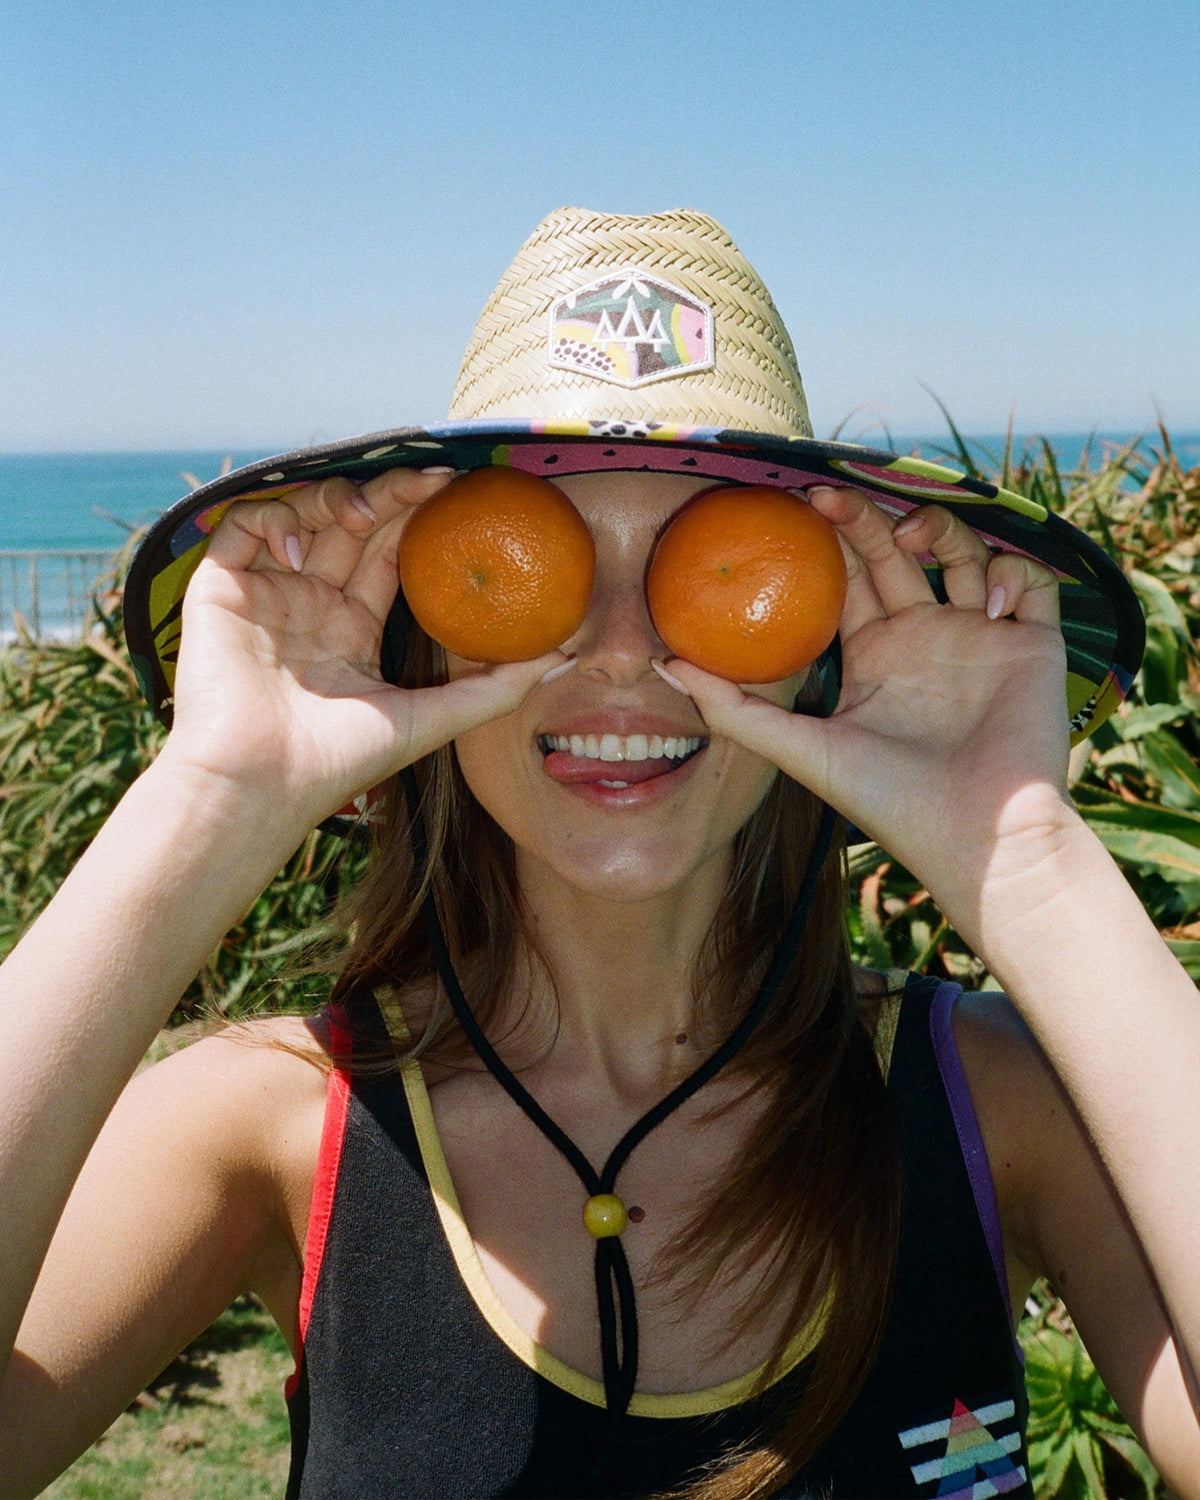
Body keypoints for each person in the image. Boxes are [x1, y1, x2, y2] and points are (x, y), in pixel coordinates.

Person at [0, 207, 1197, 1500]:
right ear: (429, 638)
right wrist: (209, 800)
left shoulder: (992, 1104)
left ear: (822, 651)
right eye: (544, 561)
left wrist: (1024, 854)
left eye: (706, 562)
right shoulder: (279, 1120)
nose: (621, 651)